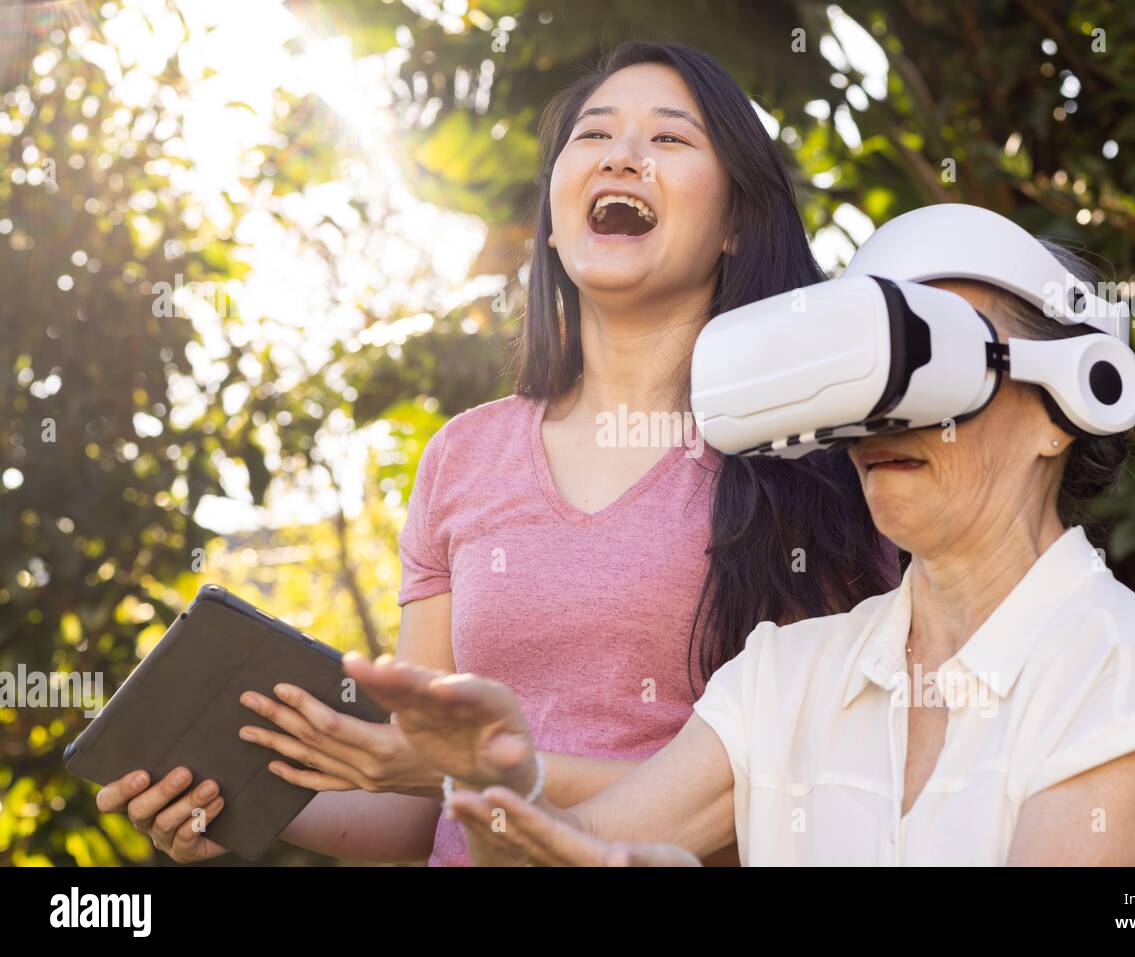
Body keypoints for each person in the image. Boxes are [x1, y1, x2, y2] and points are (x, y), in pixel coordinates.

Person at [89, 42, 898, 865]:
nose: (622, 154)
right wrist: (231, 797)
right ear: (551, 224)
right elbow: (412, 811)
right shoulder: (462, 457)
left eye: (669, 139)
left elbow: (806, 776)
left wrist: (466, 774)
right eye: (593, 136)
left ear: (735, 223)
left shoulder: (811, 461)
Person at [364, 207, 1135, 866]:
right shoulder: (788, 675)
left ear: (1063, 407)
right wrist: (498, 789)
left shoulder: (1124, 667)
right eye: (868, 374)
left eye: (934, 362)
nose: (886, 417)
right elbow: (585, 849)